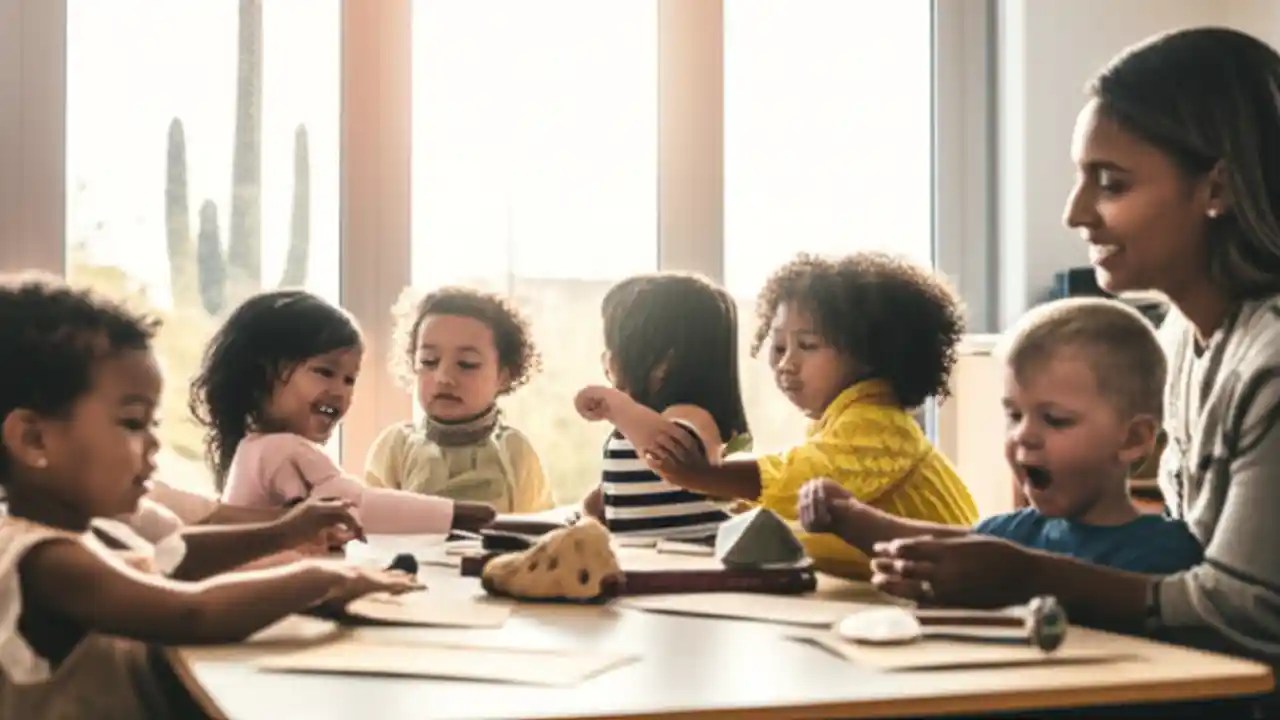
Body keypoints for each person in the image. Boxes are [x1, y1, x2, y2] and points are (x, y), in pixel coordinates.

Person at [871, 28, 1280, 671]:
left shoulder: (1270, 360)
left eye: (1111, 184)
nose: (1075, 213)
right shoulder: (1179, 338)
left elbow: (1243, 610)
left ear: (1217, 190)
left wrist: (1027, 575)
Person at [0, 275, 417, 717]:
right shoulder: (46, 559)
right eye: (132, 423)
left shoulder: (93, 534)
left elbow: (175, 556)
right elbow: (190, 613)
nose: (154, 445)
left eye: (153, 425)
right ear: (34, 440)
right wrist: (322, 579)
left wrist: (284, 532)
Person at [801, 298, 1202, 575]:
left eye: (1055, 420)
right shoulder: (1016, 533)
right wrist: (851, 518)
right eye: (1014, 415)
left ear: (1133, 440)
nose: (1024, 435)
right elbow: (936, 546)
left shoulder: (1164, 553)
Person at [646, 253, 977, 576]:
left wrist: (706, 474)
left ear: (869, 354)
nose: (786, 363)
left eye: (807, 345)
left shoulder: (880, 423)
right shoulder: (836, 426)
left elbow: (803, 480)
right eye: (779, 347)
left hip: (960, 592)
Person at [191, 289, 496, 534]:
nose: (340, 390)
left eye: (349, 379)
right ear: (259, 377)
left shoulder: (254, 448)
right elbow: (355, 504)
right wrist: (462, 514)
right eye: (325, 372)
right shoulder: (281, 449)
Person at [365, 287, 553, 513]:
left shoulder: (515, 451)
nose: (443, 377)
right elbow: (370, 519)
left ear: (503, 376)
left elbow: (540, 527)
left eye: (467, 364)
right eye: (429, 361)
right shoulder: (396, 446)